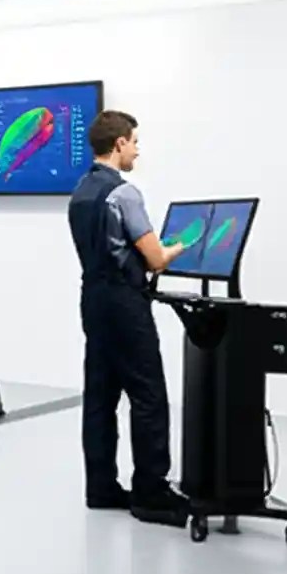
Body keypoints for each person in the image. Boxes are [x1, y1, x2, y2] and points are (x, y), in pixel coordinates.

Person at [67, 110, 190, 525]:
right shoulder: (125, 194)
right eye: (134, 141)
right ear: (118, 144)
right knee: (148, 395)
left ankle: (100, 488)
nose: (138, 149)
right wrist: (178, 247)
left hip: (93, 300)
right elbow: (154, 258)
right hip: (124, 302)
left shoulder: (81, 192)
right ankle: (152, 495)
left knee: (100, 396)